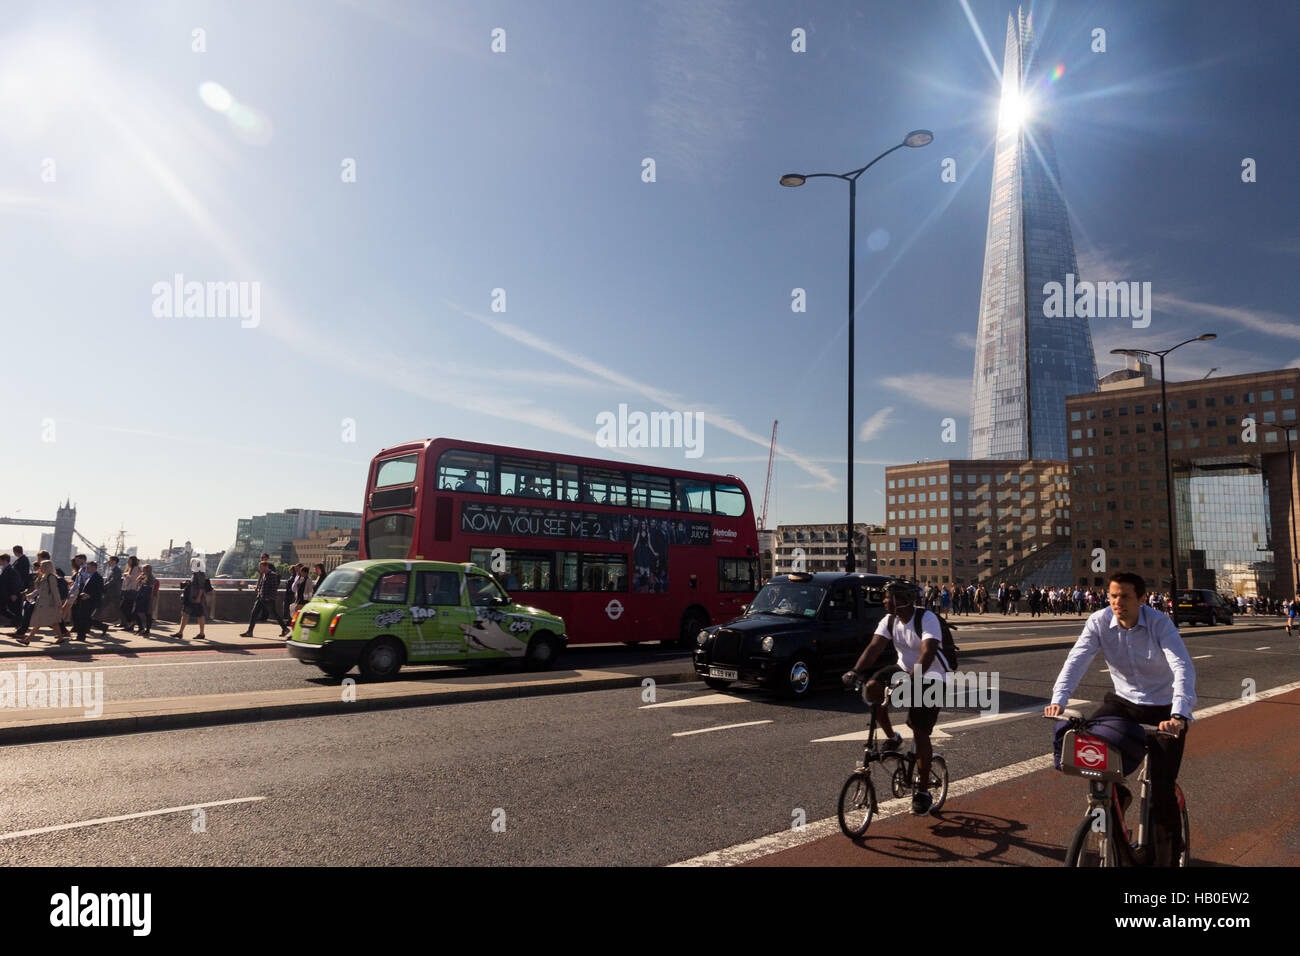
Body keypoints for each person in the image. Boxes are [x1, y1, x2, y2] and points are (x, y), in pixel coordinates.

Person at [1044, 571, 1195, 866]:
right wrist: (1058, 701)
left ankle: (1166, 857)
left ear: (1141, 598)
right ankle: (1114, 797)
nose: (1117, 602)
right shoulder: (1099, 621)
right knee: (1085, 738)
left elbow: (1182, 667)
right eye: (1113, 596)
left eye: (1124, 596)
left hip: (1163, 708)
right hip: (1123, 703)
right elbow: (1077, 659)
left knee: (1162, 790)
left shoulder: (1160, 624)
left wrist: (1179, 714)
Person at [841, 581, 951, 816]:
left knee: (920, 731)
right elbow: (874, 647)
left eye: (887, 596)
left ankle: (922, 791)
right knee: (871, 688)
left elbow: (928, 651)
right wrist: (855, 672)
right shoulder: (889, 620)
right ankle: (893, 737)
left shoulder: (927, 619)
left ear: (902, 598)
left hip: (932, 677)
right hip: (903, 670)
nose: (884, 600)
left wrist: (912, 678)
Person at [17, 560, 70, 645]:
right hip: (42, 602)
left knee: (39, 621)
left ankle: (27, 639)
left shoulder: (51, 577)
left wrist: (58, 603)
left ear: (47, 567)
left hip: (48, 603)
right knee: (53, 621)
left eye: (41, 566)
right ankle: (60, 638)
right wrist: (39, 577)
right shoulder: (44, 576)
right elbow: (38, 588)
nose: (40, 568)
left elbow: (54, 591)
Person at [240, 560, 289, 637]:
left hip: (268, 599)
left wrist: (268, 597)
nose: (260, 569)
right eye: (260, 568)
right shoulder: (264, 575)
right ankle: (250, 632)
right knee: (254, 614)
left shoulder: (272, 575)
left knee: (274, 614)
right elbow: (261, 586)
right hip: (260, 598)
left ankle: (285, 629)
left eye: (261, 567)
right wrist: (259, 594)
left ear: (266, 567)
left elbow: (274, 588)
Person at [72, 560, 104, 640]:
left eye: (88, 568)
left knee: (84, 618)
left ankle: (81, 636)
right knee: (83, 618)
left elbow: (100, 590)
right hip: (85, 600)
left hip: (91, 601)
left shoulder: (98, 577)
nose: (86, 569)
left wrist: (89, 595)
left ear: (94, 568)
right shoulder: (89, 576)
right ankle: (82, 635)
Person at [177, 570, 212, 640]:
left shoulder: (199, 574)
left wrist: (198, 597)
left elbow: (201, 587)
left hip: (195, 598)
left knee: (199, 615)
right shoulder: (195, 574)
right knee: (186, 613)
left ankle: (201, 634)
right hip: (192, 597)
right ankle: (180, 633)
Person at [94, 555, 123, 633]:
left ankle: (95, 621)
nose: (108, 562)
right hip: (109, 592)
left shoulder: (117, 570)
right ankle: (95, 621)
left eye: (110, 560)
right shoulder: (111, 569)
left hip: (113, 592)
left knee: (116, 608)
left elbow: (113, 581)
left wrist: (103, 586)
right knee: (103, 606)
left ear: (114, 561)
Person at [119, 556, 142, 633]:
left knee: (126, 608)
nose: (128, 561)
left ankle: (132, 624)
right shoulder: (130, 568)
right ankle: (130, 624)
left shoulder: (135, 568)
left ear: (133, 561)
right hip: (127, 590)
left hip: (132, 591)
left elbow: (134, 578)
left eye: (129, 560)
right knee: (125, 608)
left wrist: (126, 575)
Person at [135, 564, 159, 635]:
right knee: (136, 612)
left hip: (148, 598)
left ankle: (147, 630)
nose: (142, 570)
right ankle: (141, 628)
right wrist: (141, 577)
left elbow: (150, 588)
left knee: (148, 614)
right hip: (141, 596)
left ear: (147, 570)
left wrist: (142, 583)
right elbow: (137, 581)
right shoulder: (143, 576)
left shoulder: (151, 578)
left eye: (143, 569)